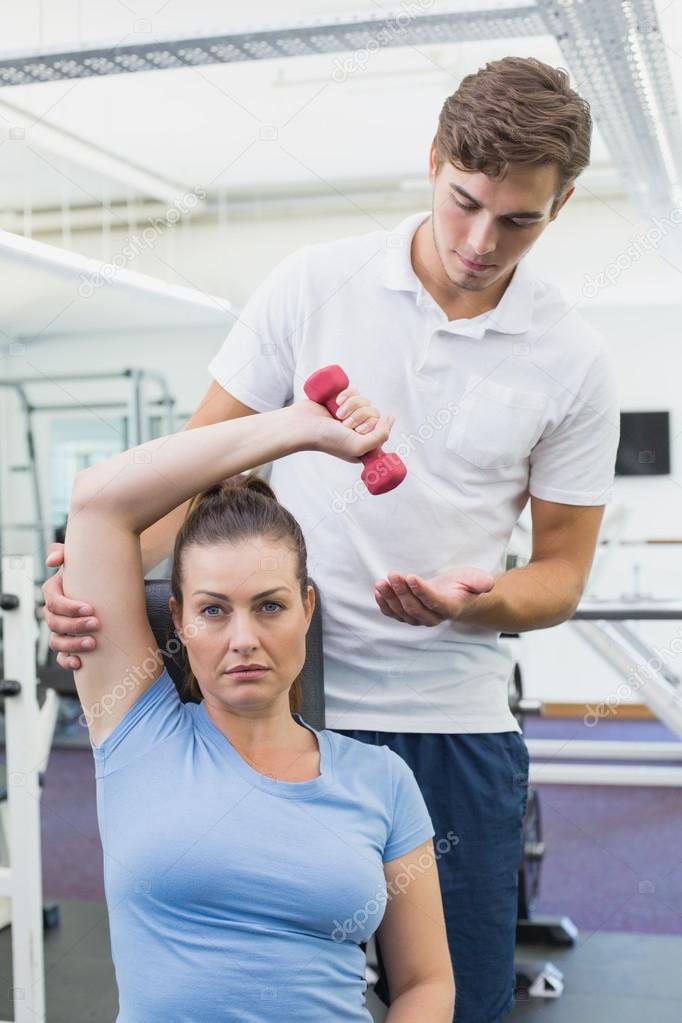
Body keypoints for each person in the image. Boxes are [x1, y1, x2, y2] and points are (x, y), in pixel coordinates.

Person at [45, 56, 620, 1021]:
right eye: (464, 201)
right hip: (287, 699)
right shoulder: (314, 283)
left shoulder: (574, 360)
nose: (481, 241)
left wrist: (481, 603)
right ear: (434, 160)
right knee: (251, 976)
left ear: (560, 207)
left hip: (451, 720)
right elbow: (198, 472)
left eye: (517, 219)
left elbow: (562, 573)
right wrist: (96, 588)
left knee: (456, 995)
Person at [61, 391, 455, 1021]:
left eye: (269, 605)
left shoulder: (382, 781)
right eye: (213, 609)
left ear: (307, 610)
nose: (243, 637)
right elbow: (96, 501)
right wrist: (296, 431)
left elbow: (426, 983)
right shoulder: (137, 729)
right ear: (180, 621)